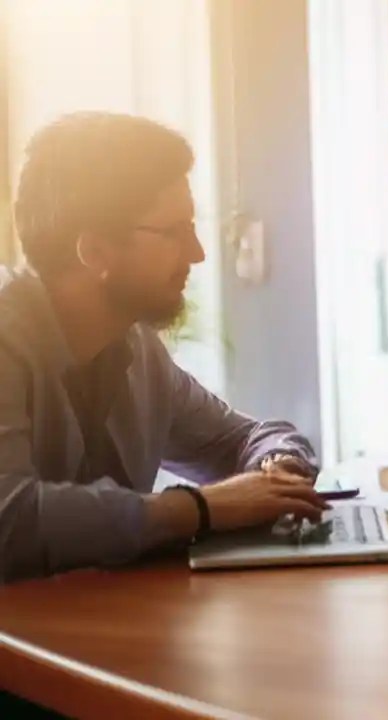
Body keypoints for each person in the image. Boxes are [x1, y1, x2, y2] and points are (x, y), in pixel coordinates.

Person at [0, 112, 328, 583]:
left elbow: (239, 438)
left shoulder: (135, 349)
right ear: (94, 252)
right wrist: (197, 508)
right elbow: (10, 520)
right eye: (173, 231)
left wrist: (278, 469)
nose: (197, 252)